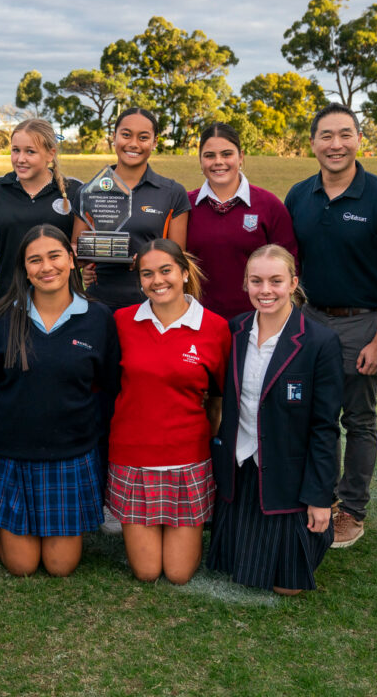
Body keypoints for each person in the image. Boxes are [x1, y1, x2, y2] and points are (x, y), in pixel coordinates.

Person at [284, 104, 377, 550]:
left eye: (345, 135)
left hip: (362, 322)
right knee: (314, 415)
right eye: (326, 136)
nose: (336, 144)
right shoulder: (299, 195)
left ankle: (351, 508)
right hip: (311, 321)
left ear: (359, 140)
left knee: (358, 419)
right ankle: (319, 496)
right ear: (312, 143)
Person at [0, 225, 119, 577]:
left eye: (55, 256)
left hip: (72, 454)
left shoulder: (99, 318)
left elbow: (109, 387)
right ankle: (14, 532)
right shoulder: (0, 320)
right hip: (13, 455)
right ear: (24, 269)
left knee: (60, 566)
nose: (46, 267)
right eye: (35, 260)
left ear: (72, 260)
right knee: (22, 566)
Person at [207, 244, 343, 595]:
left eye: (275, 281)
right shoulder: (234, 331)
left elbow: (325, 428)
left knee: (287, 587)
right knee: (236, 567)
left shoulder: (320, 342)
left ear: (293, 282)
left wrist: (319, 497)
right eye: (256, 281)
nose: (265, 290)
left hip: (288, 473)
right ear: (246, 284)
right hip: (241, 467)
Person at [107, 240, 229, 584]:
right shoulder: (121, 321)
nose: (157, 281)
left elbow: (218, 399)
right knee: (147, 572)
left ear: (184, 273)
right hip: (133, 458)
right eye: (147, 274)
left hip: (187, 459)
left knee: (178, 573)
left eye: (165, 271)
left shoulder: (215, 327)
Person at [71, 107, 190, 311]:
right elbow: (76, 252)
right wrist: (85, 260)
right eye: (126, 135)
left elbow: (178, 258)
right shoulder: (88, 191)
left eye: (143, 137)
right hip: (98, 304)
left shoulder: (172, 193)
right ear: (114, 137)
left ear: (154, 143)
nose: (133, 144)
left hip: (152, 305)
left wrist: (146, 259)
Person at [187, 123, 297, 319]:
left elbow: (290, 267)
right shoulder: (185, 205)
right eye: (209, 155)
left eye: (227, 154)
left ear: (241, 157)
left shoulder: (269, 205)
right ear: (200, 160)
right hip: (198, 323)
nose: (218, 162)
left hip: (256, 323)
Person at [0, 118, 77, 300]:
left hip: (63, 299)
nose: (20, 159)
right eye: (15, 150)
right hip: (10, 297)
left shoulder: (74, 191)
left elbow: (83, 246)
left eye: (30, 152)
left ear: (50, 154)